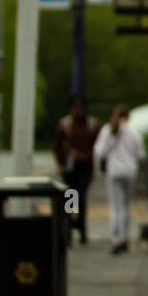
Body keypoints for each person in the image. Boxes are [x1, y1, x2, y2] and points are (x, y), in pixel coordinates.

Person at [94, 104, 144, 255]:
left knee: (115, 207)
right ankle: (125, 237)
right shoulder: (134, 132)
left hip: (114, 171)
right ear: (128, 116)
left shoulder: (107, 130)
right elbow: (140, 154)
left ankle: (116, 238)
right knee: (126, 206)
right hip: (129, 171)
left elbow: (99, 152)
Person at [53, 94, 100, 246]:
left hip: (85, 166)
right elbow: (56, 146)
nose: (77, 111)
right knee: (70, 197)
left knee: (80, 196)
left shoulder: (92, 125)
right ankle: (69, 228)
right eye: (74, 107)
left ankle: (80, 226)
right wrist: (59, 164)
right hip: (69, 166)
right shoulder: (65, 124)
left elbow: (98, 146)